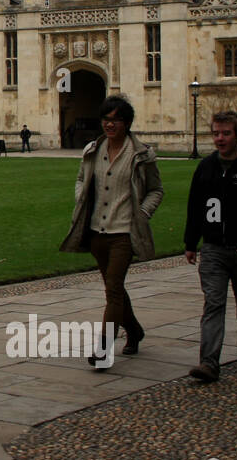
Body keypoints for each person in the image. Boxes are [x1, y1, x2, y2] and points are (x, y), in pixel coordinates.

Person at [59, 95, 163, 368]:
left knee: (114, 289)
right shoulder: (93, 150)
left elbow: (156, 190)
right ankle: (136, 331)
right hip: (96, 232)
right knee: (113, 289)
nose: (110, 124)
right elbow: (81, 178)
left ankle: (104, 350)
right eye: (106, 119)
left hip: (124, 233)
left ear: (127, 123)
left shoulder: (141, 154)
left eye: (116, 119)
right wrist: (81, 200)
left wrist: (142, 214)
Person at [183, 110, 237, 382]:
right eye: (216, 133)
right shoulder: (206, 167)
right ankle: (209, 363)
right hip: (213, 248)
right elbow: (195, 206)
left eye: (225, 133)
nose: (220, 139)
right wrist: (190, 242)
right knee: (213, 302)